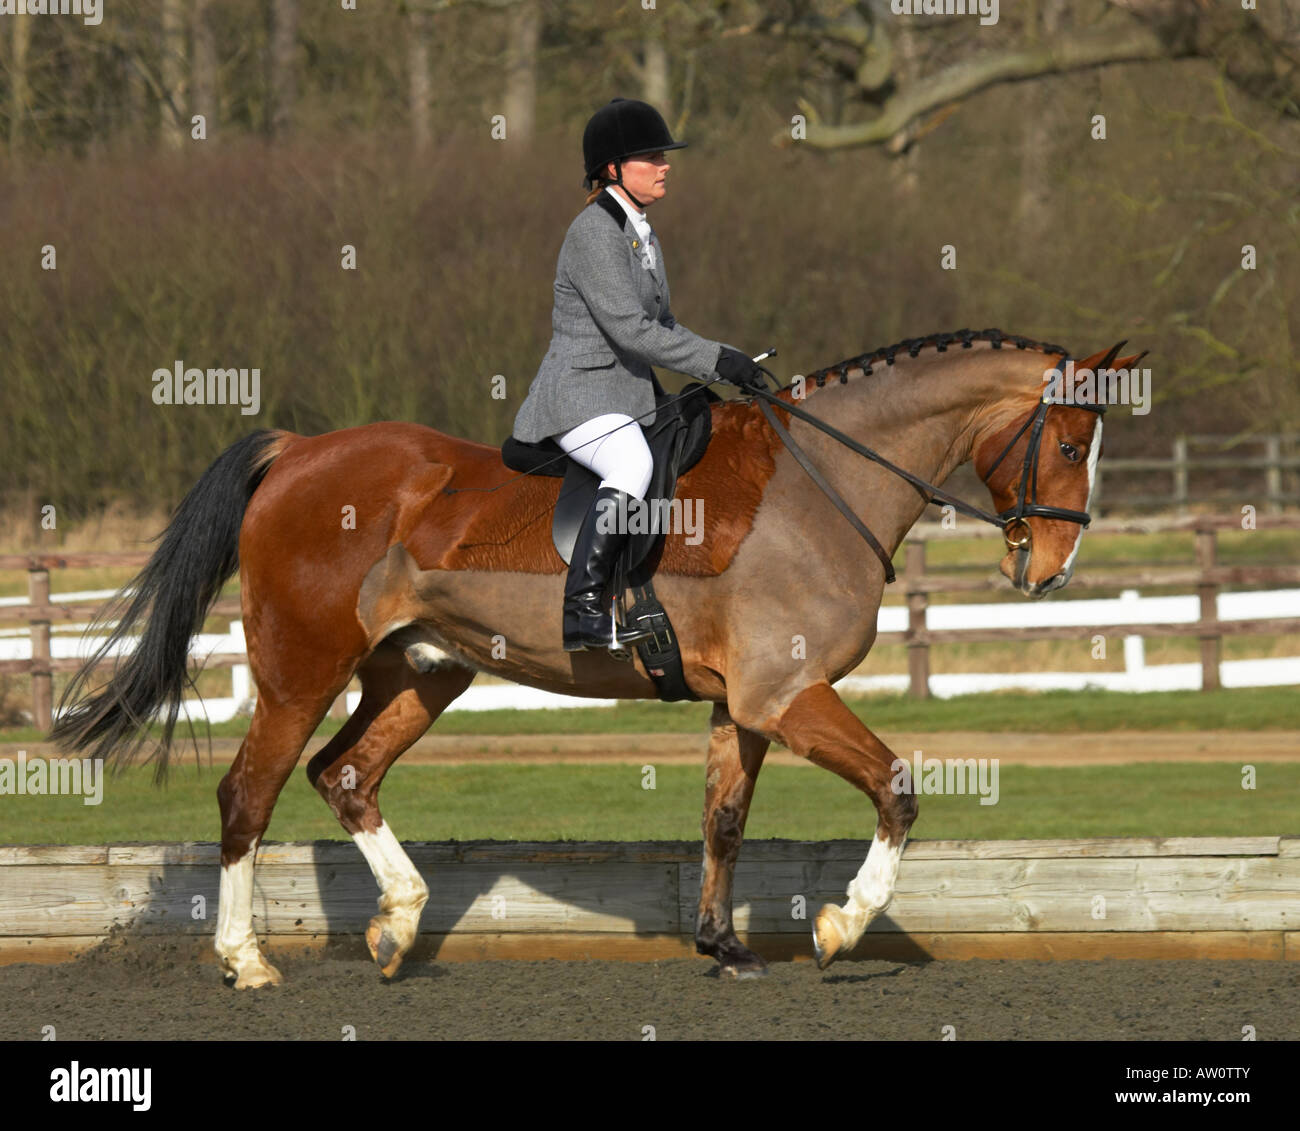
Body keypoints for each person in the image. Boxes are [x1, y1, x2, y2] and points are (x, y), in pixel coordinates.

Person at [512, 97, 766, 652]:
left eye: (663, 155)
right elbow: (631, 331)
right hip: (579, 394)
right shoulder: (593, 233)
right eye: (651, 156)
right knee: (631, 462)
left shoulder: (640, 232)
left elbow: (665, 322)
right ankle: (582, 609)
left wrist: (729, 356)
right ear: (613, 169)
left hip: (628, 394)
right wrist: (716, 361)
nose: (664, 164)